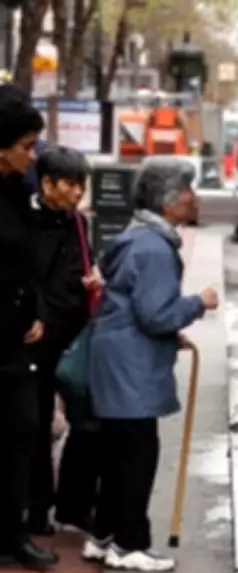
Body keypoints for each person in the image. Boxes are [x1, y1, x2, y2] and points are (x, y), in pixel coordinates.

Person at [82, 159, 219, 572]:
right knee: (137, 455)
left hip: (116, 357)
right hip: (132, 368)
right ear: (168, 199)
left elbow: (129, 299)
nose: (193, 198)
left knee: (116, 452)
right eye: (187, 190)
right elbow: (156, 313)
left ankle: (103, 536)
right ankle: (130, 545)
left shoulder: (133, 237)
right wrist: (200, 303)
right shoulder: (156, 248)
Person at [26, 146, 102, 536]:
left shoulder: (77, 223)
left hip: (75, 337)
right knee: (36, 425)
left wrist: (90, 281)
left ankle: (74, 505)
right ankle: (37, 509)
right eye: (71, 185)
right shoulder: (23, 220)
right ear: (47, 183)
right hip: (35, 339)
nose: (77, 194)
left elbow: (81, 266)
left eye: (82, 185)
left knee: (88, 422)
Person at [0, 86, 58, 569]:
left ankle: (12, 532)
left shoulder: (21, 190)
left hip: (15, 339)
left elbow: (29, 262)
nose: (33, 155)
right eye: (26, 146)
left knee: (23, 428)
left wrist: (36, 308)